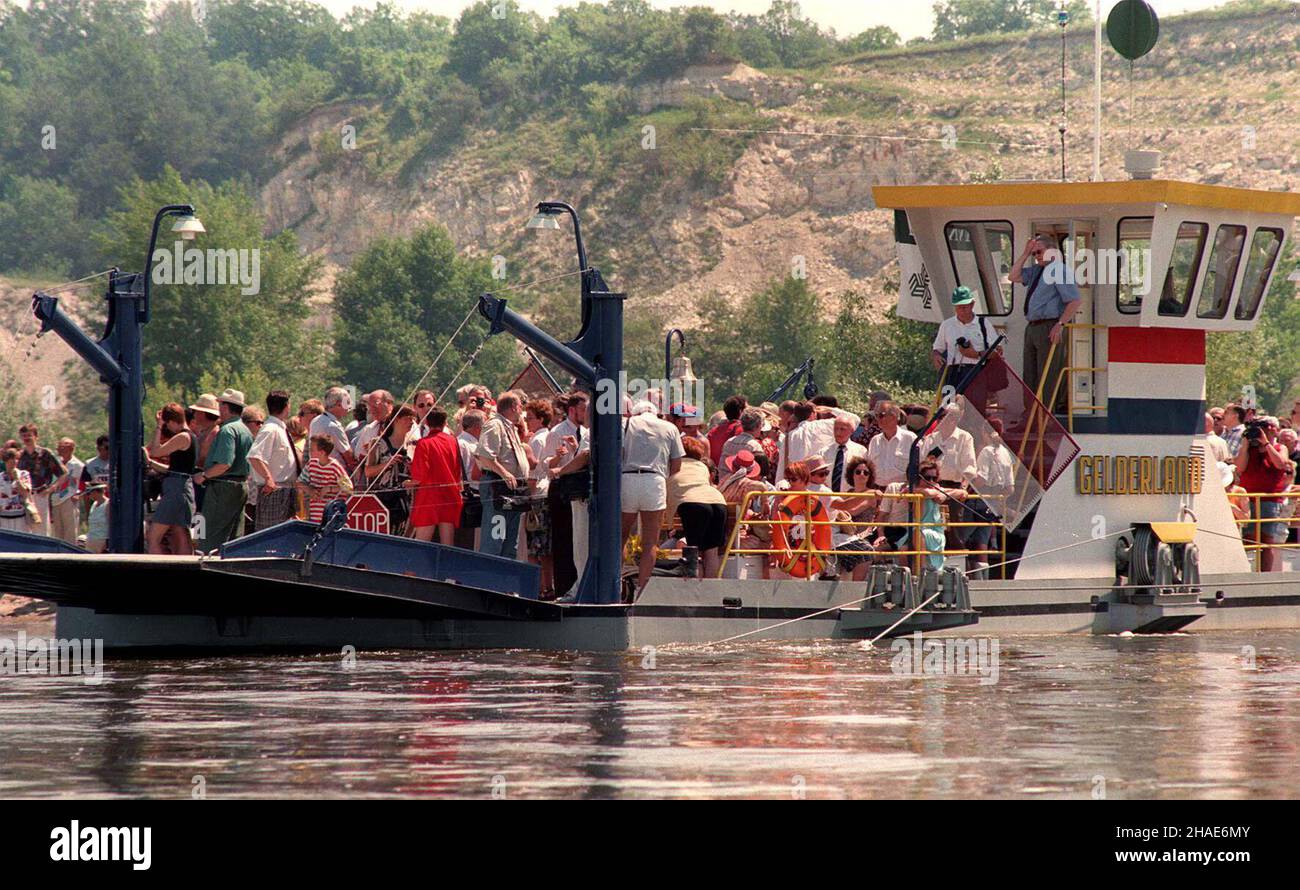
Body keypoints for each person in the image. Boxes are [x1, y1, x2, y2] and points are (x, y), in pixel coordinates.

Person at [1009, 233, 1081, 412]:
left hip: (1049, 325)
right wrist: (1025, 254)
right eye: (1034, 253)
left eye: (1039, 252)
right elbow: (1013, 276)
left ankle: (1047, 416)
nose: (1036, 256)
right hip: (1032, 327)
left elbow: (1074, 300)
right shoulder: (1037, 271)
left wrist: (1060, 324)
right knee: (1030, 374)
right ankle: (1030, 414)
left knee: (1047, 375)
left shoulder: (1059, 270)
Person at [621, 400, 685, 593]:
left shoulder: (626, 424)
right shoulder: (670, 428)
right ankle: (642, 590)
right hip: (654, 481)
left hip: (627, 479)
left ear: (635, 413)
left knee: (620, 538)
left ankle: (616, 585)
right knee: (650, 542)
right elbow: (676, 465)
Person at [194, 389, 254, 551]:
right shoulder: (245, 430)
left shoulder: (227, 430)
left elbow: (224, 464)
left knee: (210, 535)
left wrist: (203, 475)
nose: (219, 409)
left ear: (226, 408)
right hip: (240, 486)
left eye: (220, 405)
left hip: (222, 488)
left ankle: (206, 561)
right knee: (234, 537)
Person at [475, 393, 530, 559]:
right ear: (513, 407)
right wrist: (504, 473)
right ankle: (490, 574)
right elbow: (484, 455)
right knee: (495, 540)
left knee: (510, 543)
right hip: (497, 488)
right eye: (520, 406)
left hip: (513, 490)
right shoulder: (495, 424)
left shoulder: (510, 427)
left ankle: (505, 573)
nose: (522, 410)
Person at [1234, 416, 1292, 572]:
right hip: (1248, 499)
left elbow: (1281, 463)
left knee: (1266, 539)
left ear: (1274, 429)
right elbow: (1240, 467)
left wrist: (1266, 443)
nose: (1263, 430)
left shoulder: (1280, 447)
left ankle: (1265, 573)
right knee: (1248, 538)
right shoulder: (1250, 449)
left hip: (1269, 500)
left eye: (1265, 427)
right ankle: (1248, 571)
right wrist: (1245, 445)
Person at [666, 435, 727, 578]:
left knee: (693, 550)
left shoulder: (673, 465)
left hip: (693, 503)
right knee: (711, 551)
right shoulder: (702, 466)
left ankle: (695, 586)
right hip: (718, 502)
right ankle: (711, 587)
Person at [144, 403, 196, 554]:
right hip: (181, 487)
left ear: (172, 422)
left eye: (167, 424)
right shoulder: (191, 437)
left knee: (153, 537)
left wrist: (159, 426)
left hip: (175, 490)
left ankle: (159, 564)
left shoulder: (182, 437)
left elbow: (155, 451)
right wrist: (150, 463)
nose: (167, 428)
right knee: (181, 534)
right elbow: (173, 469)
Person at [357, 404, 416, 535]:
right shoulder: (377, 443)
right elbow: (368, 471)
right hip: (383, 500)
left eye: (413, 419)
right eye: (407, 418)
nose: (411, 422)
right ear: (396, 419)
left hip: (406, 500)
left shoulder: (413, 444)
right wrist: (387, 463)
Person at [408, 407, 461, 545]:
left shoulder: (423, 443)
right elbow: (457, 470)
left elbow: (419, 476)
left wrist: (406, 483)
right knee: (447, 544)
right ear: (445, 423)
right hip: (449, 494)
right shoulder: (453, 441)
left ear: (426, 422)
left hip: (429, 497)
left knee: (422, 543)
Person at [248, 391, 301, 530]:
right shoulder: (270, 429)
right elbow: (255, 456)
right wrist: (268, 479)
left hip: (286, 490)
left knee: (284, 534)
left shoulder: (279, 428)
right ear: (286, 406)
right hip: (275, 490)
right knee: (271, 534)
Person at [827, 455, 882, 581]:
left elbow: (852, 512)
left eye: (866, 472)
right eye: (858, 472)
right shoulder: (849, 493)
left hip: (862, 534)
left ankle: (856, 586)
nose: (862, 474)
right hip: (844, 533)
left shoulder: (871, 495)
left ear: (869, 476)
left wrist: (839, 508)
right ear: (852, 474)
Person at [523, 399, 555, 594]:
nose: (527, 421)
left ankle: (536, 588)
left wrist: (528, 497)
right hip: (548, 491)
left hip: (537, 496)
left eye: (530, 418)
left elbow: (533, 472)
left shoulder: (536, 440)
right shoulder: (550, 436)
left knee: (534, 547)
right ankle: (548, 586)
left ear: (541, 419)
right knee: (546, 548)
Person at [16, 423, 65, 534]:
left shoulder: (45, 454)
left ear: (36, 436)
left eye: (29, 435)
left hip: (40, 494)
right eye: (24, 436)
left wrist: (51, 489)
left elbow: (63, 474)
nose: (26, 438)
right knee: (25, 529)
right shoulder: (20, 456)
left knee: (42, 528)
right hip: (24, 496)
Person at [931, 286, 991, 372]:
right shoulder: (946, 325)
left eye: (964, 307)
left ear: (972, 304)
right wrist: (936, 356)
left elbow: (997, 352)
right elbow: (937, 348)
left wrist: (976, 354)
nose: (962, 310)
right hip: (954, 373)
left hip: (980, 371)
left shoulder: (983, 323)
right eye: (958, 307)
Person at [866, 401, 916, 487]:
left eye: (881, 415)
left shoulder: (910, 438)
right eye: (876, 416)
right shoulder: (875, 440)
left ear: (894, 416)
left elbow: (920, 467)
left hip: (900, 490)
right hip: (877, 490)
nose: (877, 419)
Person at [310, 387, 356, 470]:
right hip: (334, 472)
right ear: (339, 404)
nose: (349, 406)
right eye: (348, 402)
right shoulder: (333, 426)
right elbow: (348, 455)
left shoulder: (315, 420)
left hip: (317, 470)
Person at [48, 438, 83, 544]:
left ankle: (70, 552)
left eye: (62, 447)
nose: (59, 449)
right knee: (57, 531)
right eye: (58, 447)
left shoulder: (78, 465)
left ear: (71, 448)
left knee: (70, 531)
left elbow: (81, 483)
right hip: (55, 499)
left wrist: (79, 494)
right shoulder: (56, 462)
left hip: (69, 499)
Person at [821, 415, 867, 493]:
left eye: (842, 429)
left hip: (851, 496)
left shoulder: (861, 451)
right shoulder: (823, 452)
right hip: (828, 496)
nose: (838, 432)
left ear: (852, 431)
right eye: (836, 429)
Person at [0, 447, 37, 533]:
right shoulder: (0, 477)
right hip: (4, 516)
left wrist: (17, 479)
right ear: (6, 461)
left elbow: (26, 492)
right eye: (11, 459)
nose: (14, 461)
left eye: (16, 459)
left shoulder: (24, 474)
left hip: (21, 516)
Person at [708, 396, 747, 465]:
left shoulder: (713, 432)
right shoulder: (741, 429)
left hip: (715, 468)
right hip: (732, 468)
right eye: (746, 409)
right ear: (740, 411)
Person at [83, 483, 109, 553]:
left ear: (95, 492)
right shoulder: (94, 504)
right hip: (91, 540)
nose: (88, 496)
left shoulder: (107, 505)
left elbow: (111, 525)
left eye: (89, 493)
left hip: (102, 540)